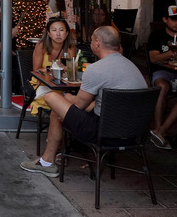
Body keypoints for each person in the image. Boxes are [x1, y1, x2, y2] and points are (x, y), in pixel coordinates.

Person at [20, 26, 147, 177]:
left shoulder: (96, 69)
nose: (91, 43)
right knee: (58, 112)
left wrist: (66, 97)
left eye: (92, 40)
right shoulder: (132, 66)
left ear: (98, 43)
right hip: (134, 133)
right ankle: (50, 159)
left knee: (52, 97)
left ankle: (47, 162)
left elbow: (79, 105)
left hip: (103, 132)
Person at [148, 5, 177, 149]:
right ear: (165, 19)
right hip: (163, 72)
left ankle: (159, 131)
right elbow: (153, 58)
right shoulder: (157, 36)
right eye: (174, 19)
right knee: (162, 86)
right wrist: (170, 53)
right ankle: (157, 125)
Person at [29, 18, 77, 116]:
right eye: (54, 30)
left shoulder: (70, 47)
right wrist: (50, 69)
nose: (58, 34)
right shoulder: (41, 46)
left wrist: (68, 68)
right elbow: (36, 71)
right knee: (65, 101)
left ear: (67, 33)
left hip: (62, 85)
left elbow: (71, 71)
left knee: (71, 98)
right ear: (49, 33)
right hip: (42, 83)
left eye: (61, 30)